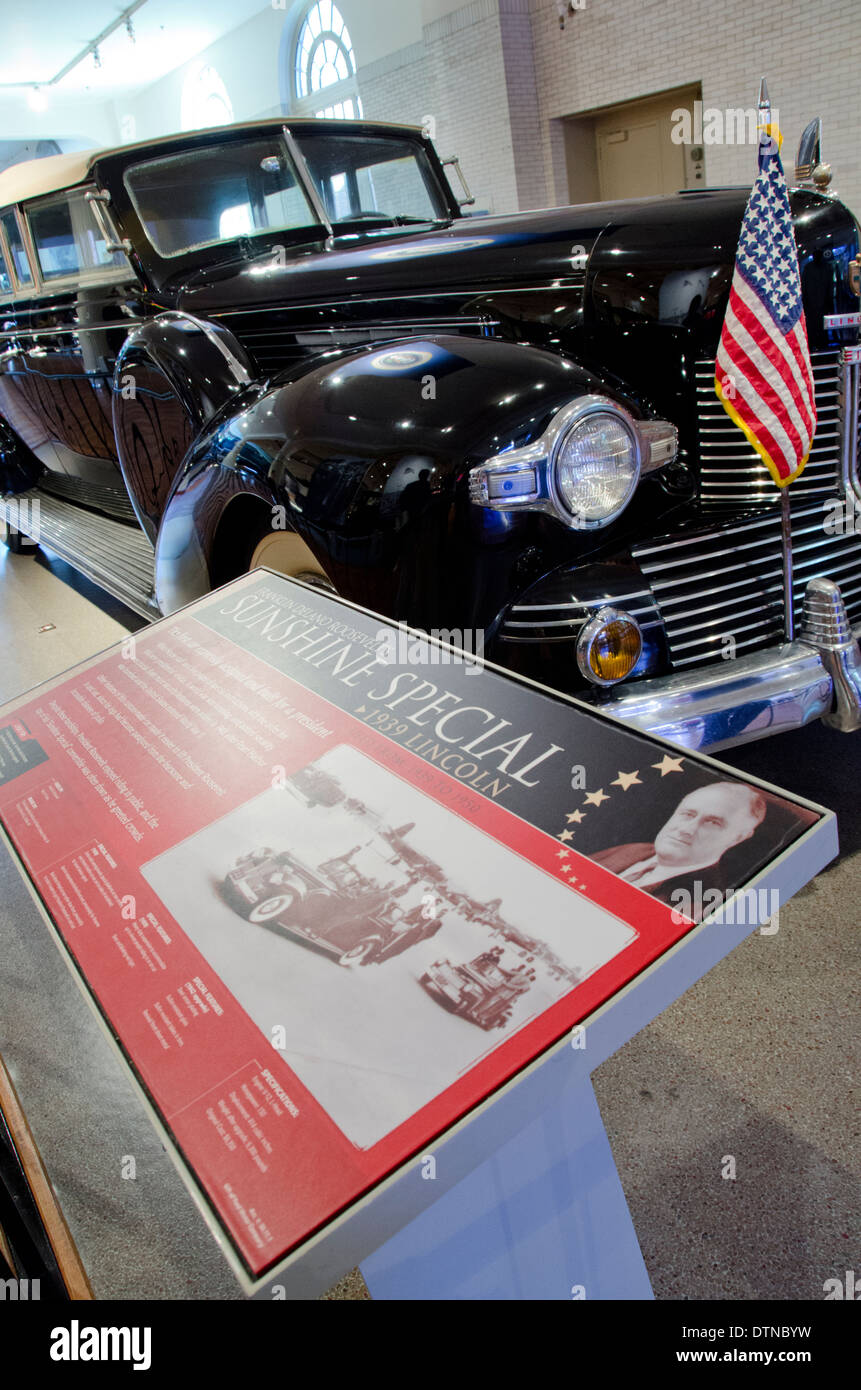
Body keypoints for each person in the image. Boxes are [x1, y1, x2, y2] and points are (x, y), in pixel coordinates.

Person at [592, 781, 767, 908]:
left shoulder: (699, 902)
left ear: (739, 837)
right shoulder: (632, 850)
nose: (687, 829)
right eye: (688, 814)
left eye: (713, 822)